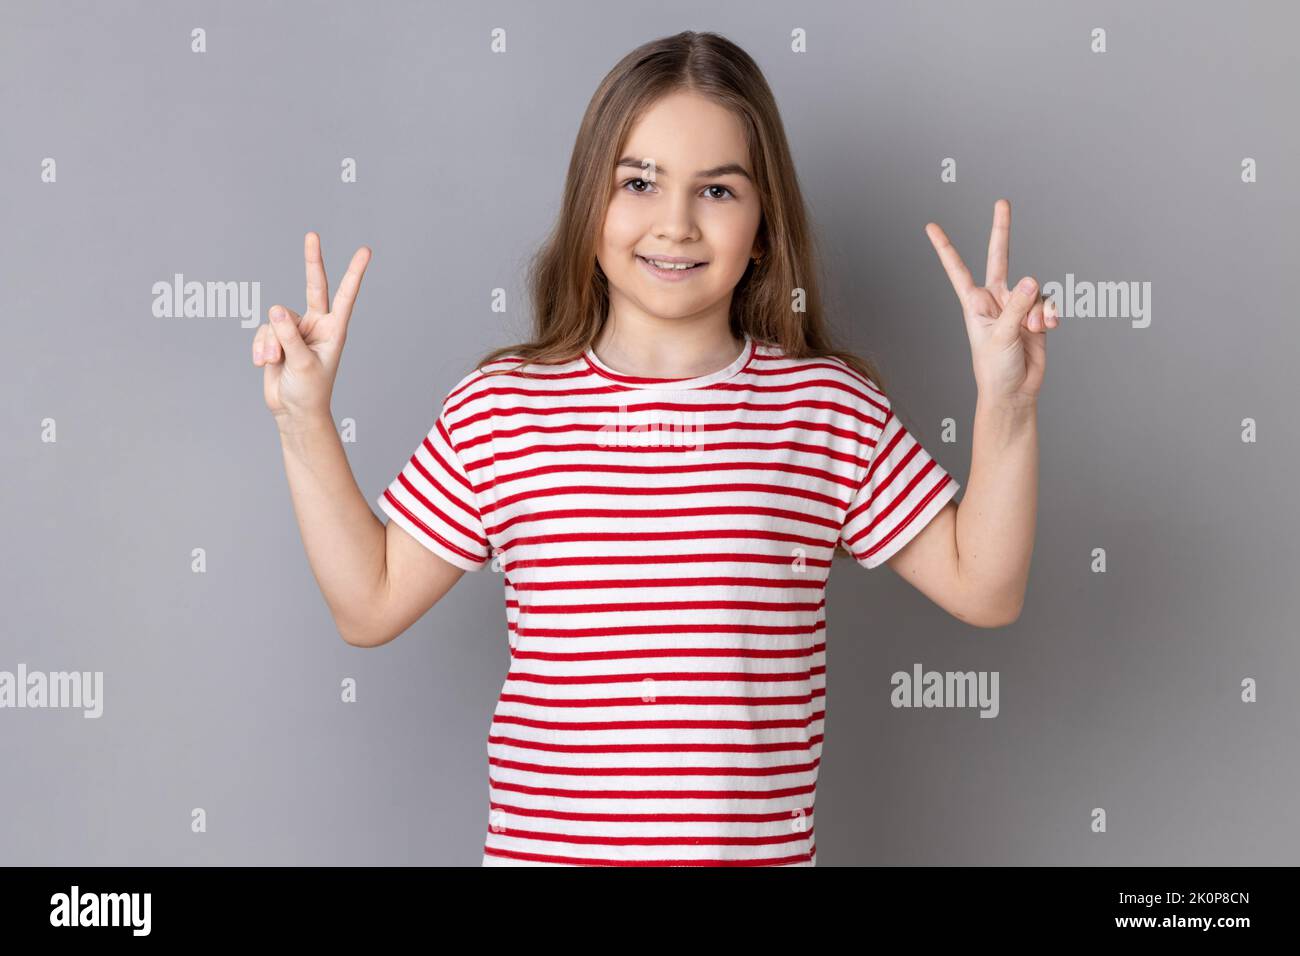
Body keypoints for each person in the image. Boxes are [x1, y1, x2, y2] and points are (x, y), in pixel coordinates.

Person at [250, 31, 1057, 867]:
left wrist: (1007, 404)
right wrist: (304, 419)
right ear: (589, 202)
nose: (675, 224)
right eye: (638, 182)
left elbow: (985, 588)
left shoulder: (824, 409)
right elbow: (369, 602)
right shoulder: (503, 409)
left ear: (763, 221)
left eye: (716, 189)